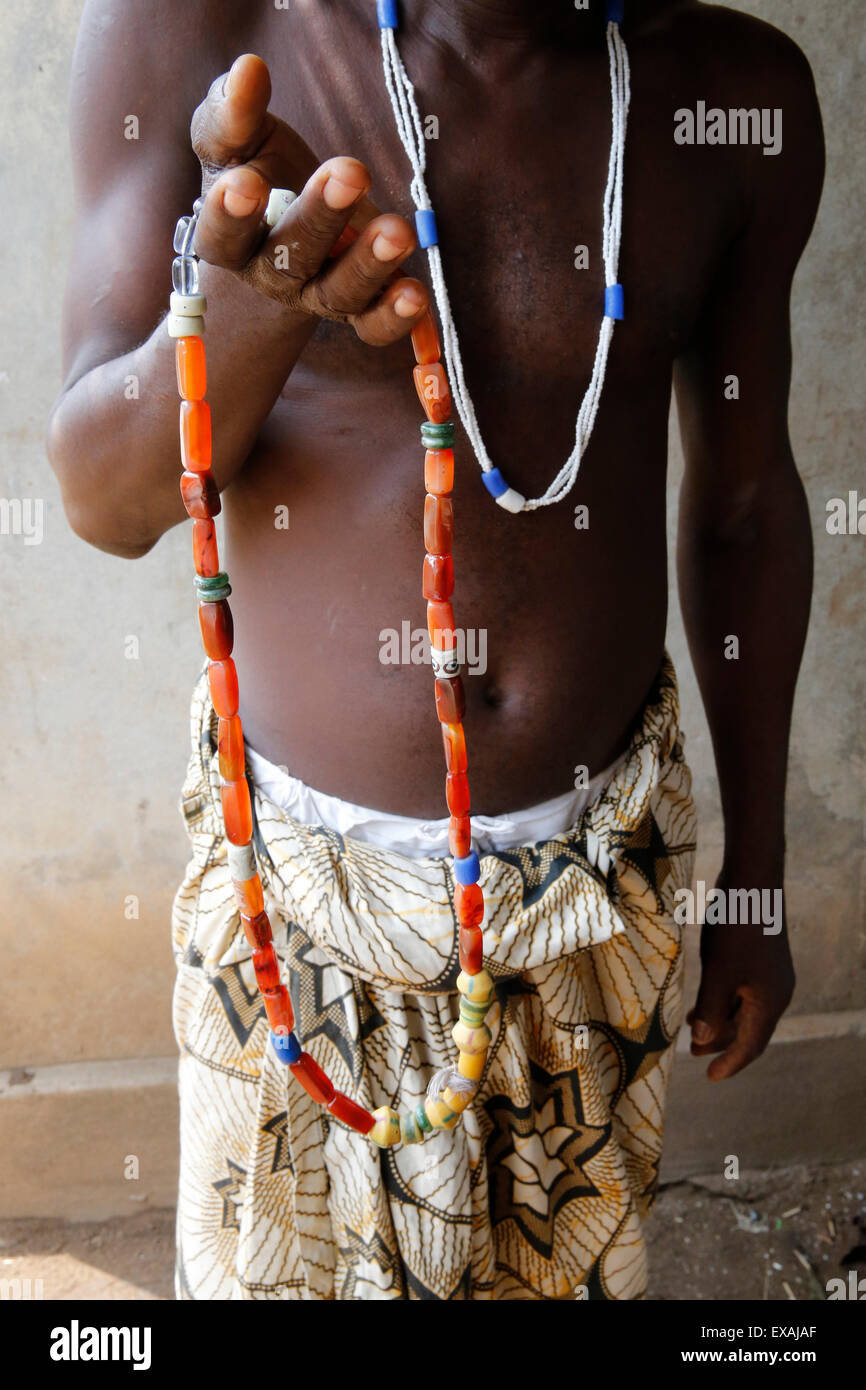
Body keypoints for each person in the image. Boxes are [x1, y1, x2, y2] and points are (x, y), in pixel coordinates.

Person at [48, 0, 824, 1299]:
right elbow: (105, 499)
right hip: (293, 918)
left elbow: (745, 509)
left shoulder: (729, 97)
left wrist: (754, 881)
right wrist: (243, 311)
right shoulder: (193, 34)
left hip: (596, 891)